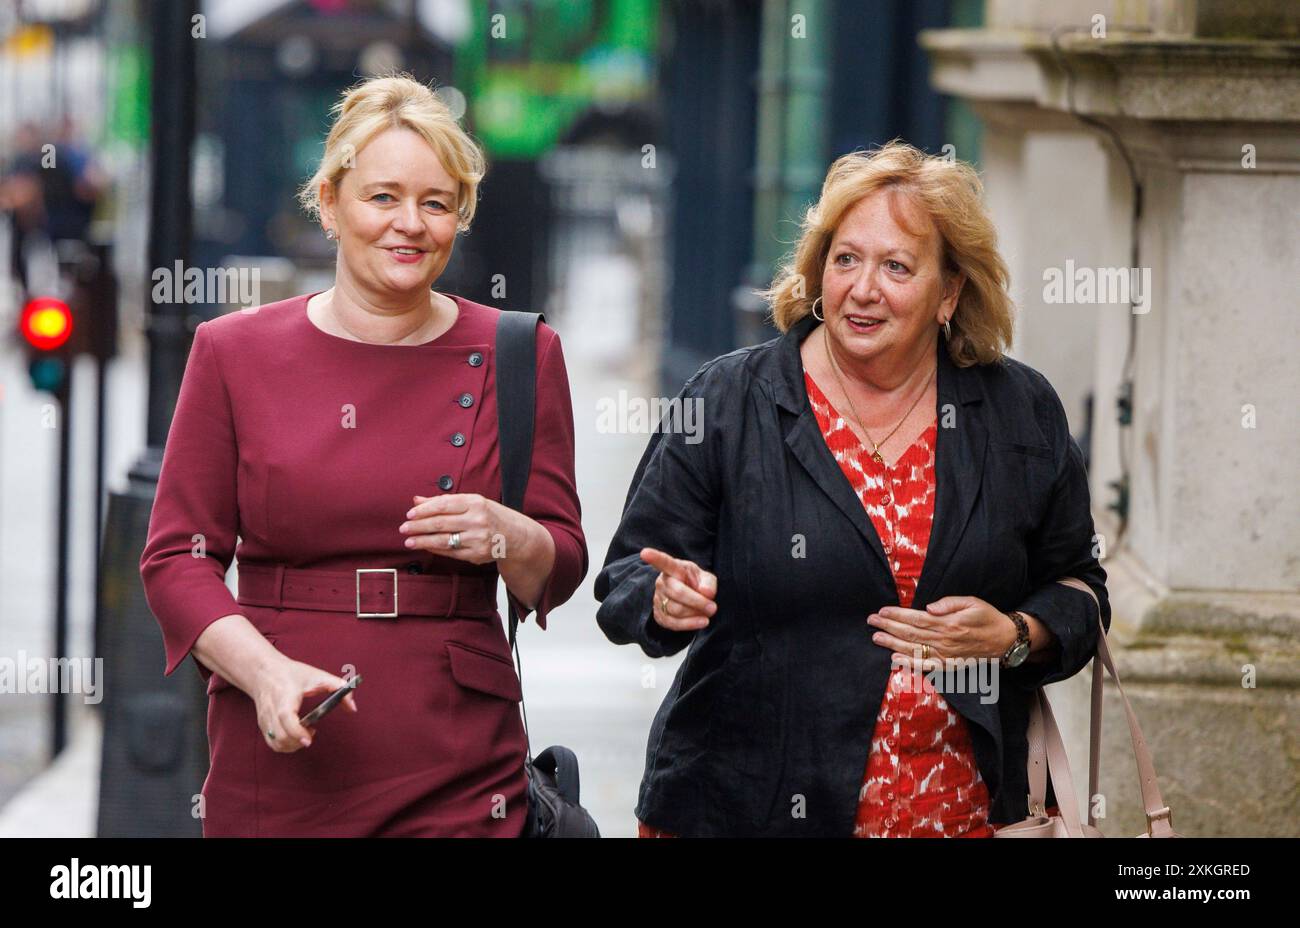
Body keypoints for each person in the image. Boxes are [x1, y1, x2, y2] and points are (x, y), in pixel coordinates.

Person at [595, 140, 1110, 837]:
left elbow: (1079, 584)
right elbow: (625, 580)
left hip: (962, 816)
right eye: (846, 259)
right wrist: (662, 597)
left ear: (950, 293)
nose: (864, 289)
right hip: (748, 810)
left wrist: (1017, 635)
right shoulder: (726, 402)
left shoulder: (1018, 411)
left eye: (897, 266)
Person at [140, 74, 587, 837]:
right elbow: (177, 560)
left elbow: (564, 562)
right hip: (281, 737)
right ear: (330, 203)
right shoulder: (233, 352)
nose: (409, 224)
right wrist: (263, 674)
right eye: (382, 197)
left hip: (457, 757)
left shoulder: (521, 352)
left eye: (436, 203)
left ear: (460, 216)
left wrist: (507, 534)